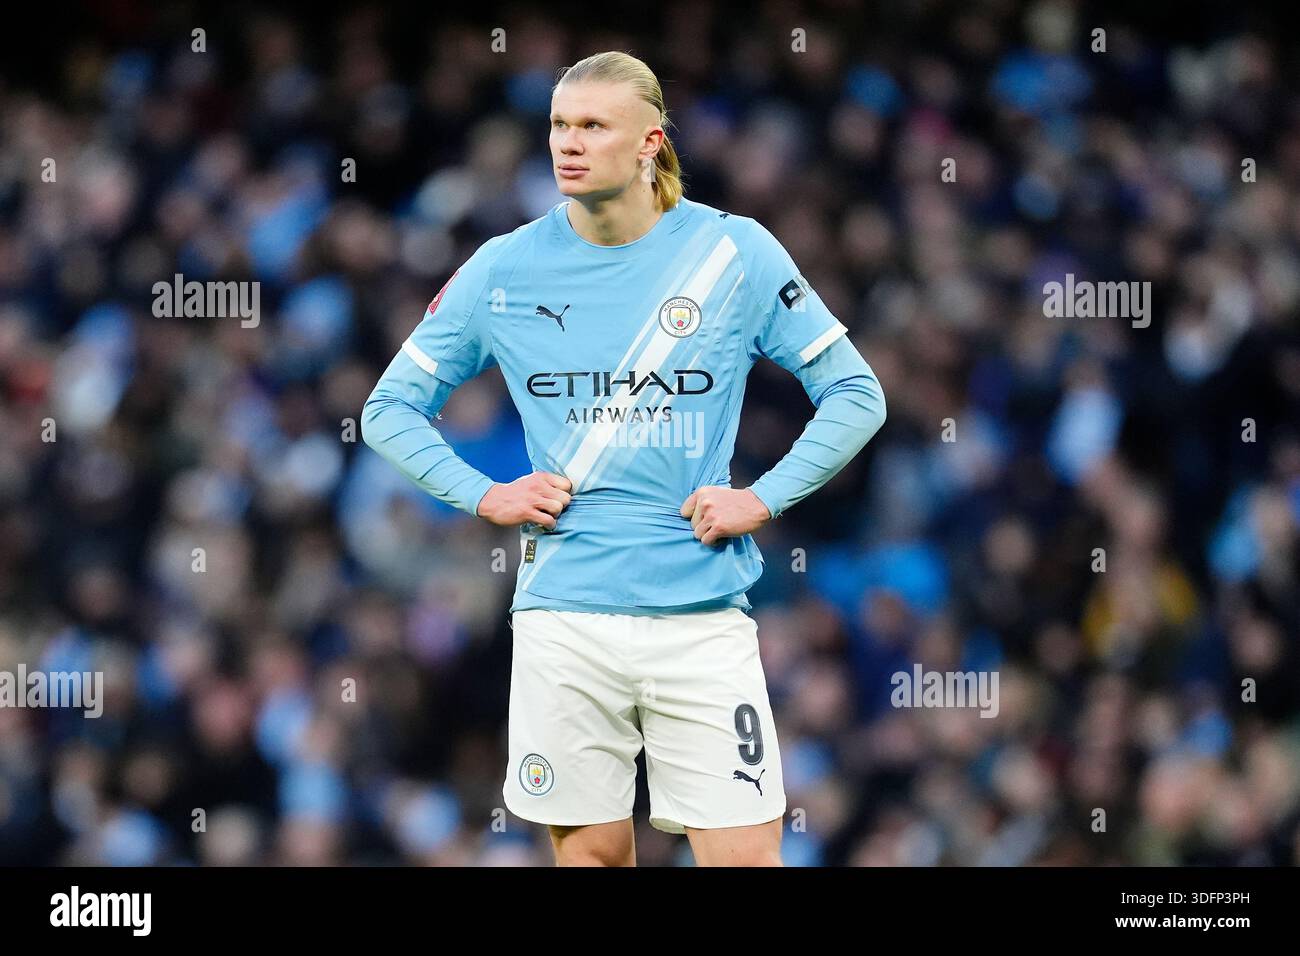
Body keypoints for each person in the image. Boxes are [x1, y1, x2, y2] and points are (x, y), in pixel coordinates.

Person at [362, 50, 887, 866]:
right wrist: (482, 494)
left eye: (592, 126)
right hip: (564, 616)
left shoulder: (732, 254)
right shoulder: (504, 267)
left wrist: (766, 497)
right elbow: (388, 409)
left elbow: (857, 393)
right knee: (596, 857)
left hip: (703, 615)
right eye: (559, 126)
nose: (568, 144)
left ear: (649, 142)